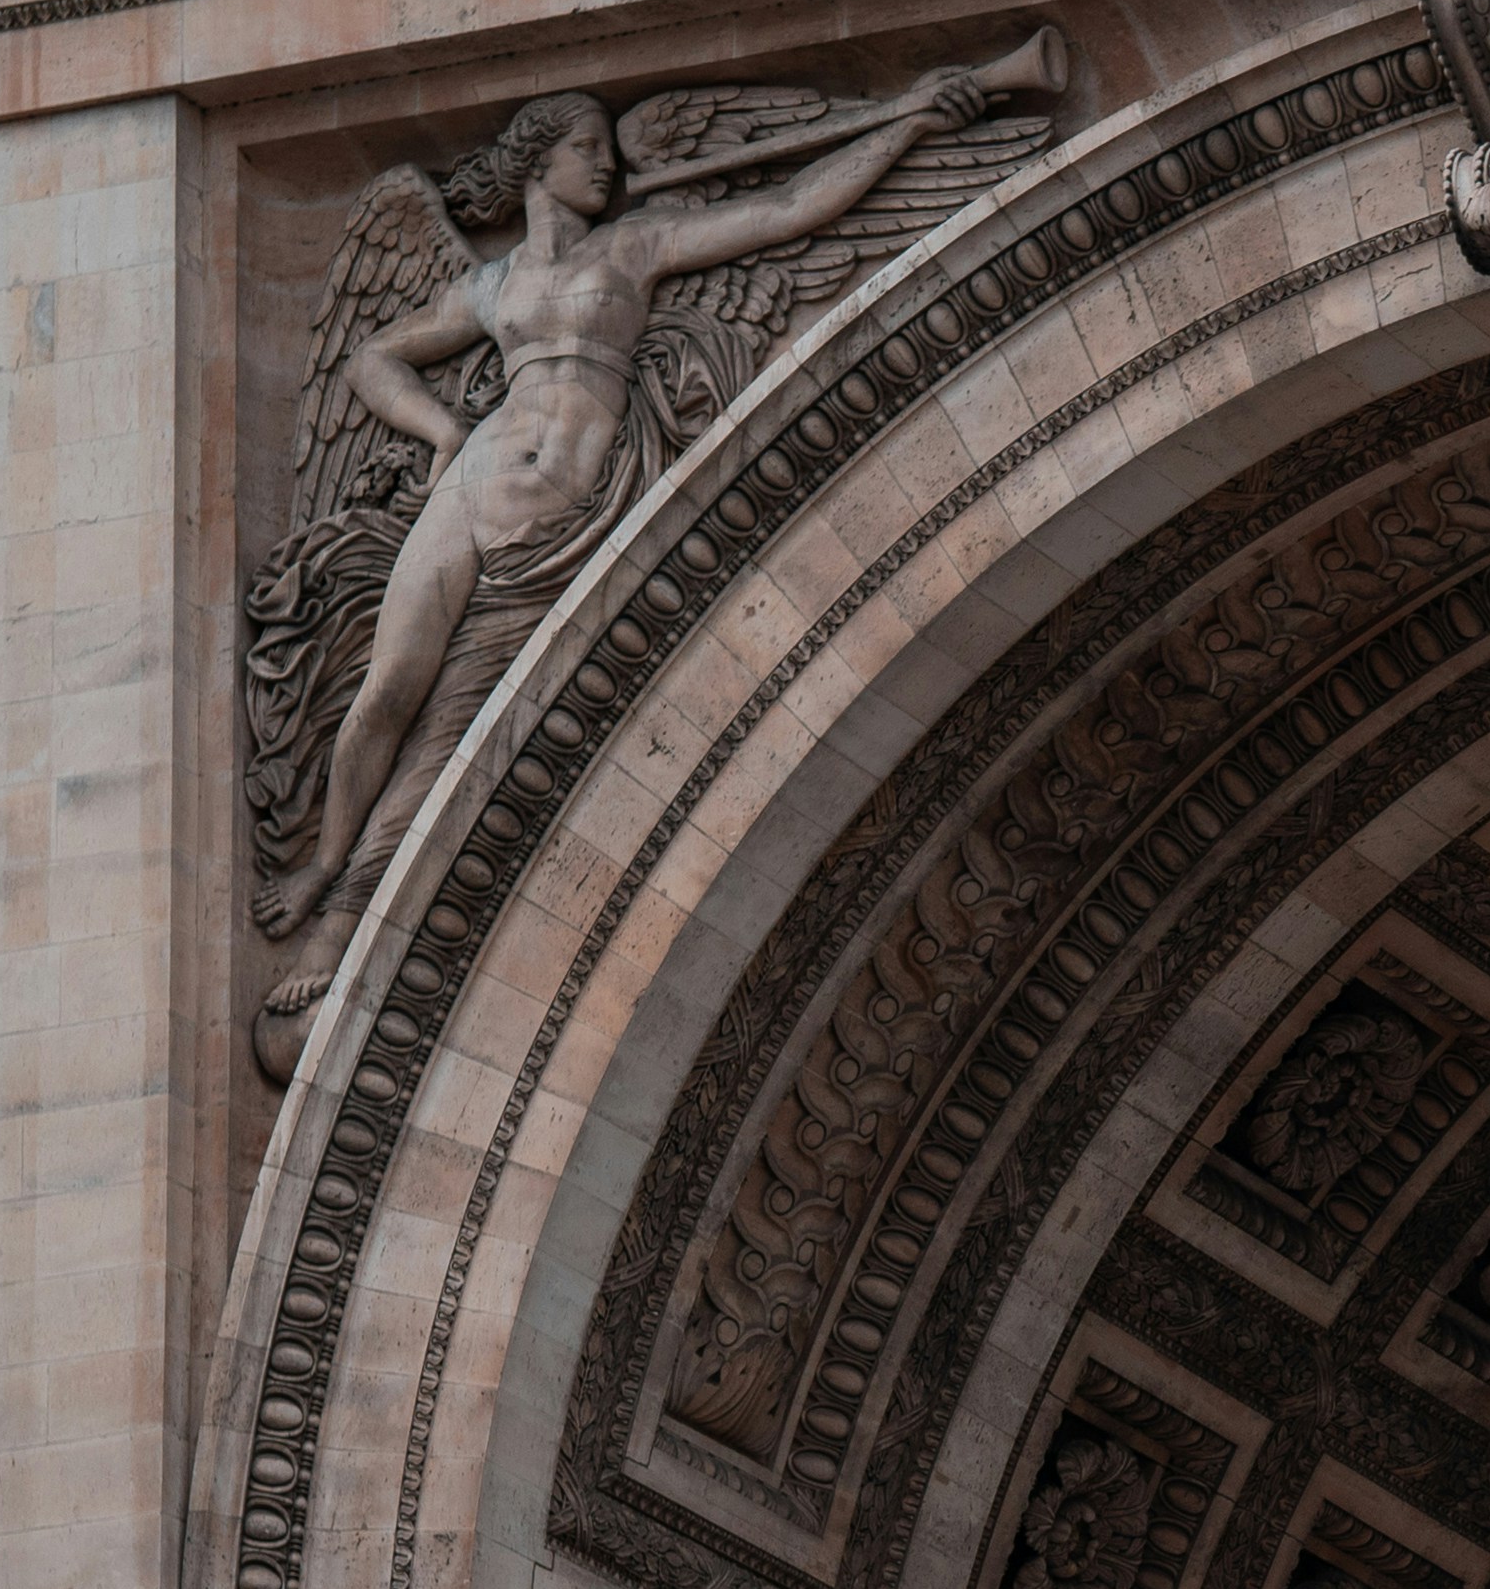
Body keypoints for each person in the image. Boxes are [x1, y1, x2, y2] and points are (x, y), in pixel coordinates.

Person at [270, 69, 998, 941]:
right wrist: (441, 434)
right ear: (536, 164)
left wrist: (908, 120)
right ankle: (323, 865)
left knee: (460, 715)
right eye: (587, 150)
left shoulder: (635, 245)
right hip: (472, 491)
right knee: (388, 689)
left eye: (610, 153)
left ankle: (359, 905)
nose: (606, 168)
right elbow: (371, 359)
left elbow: (792, 208)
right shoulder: (491, 285)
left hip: (564, 512)